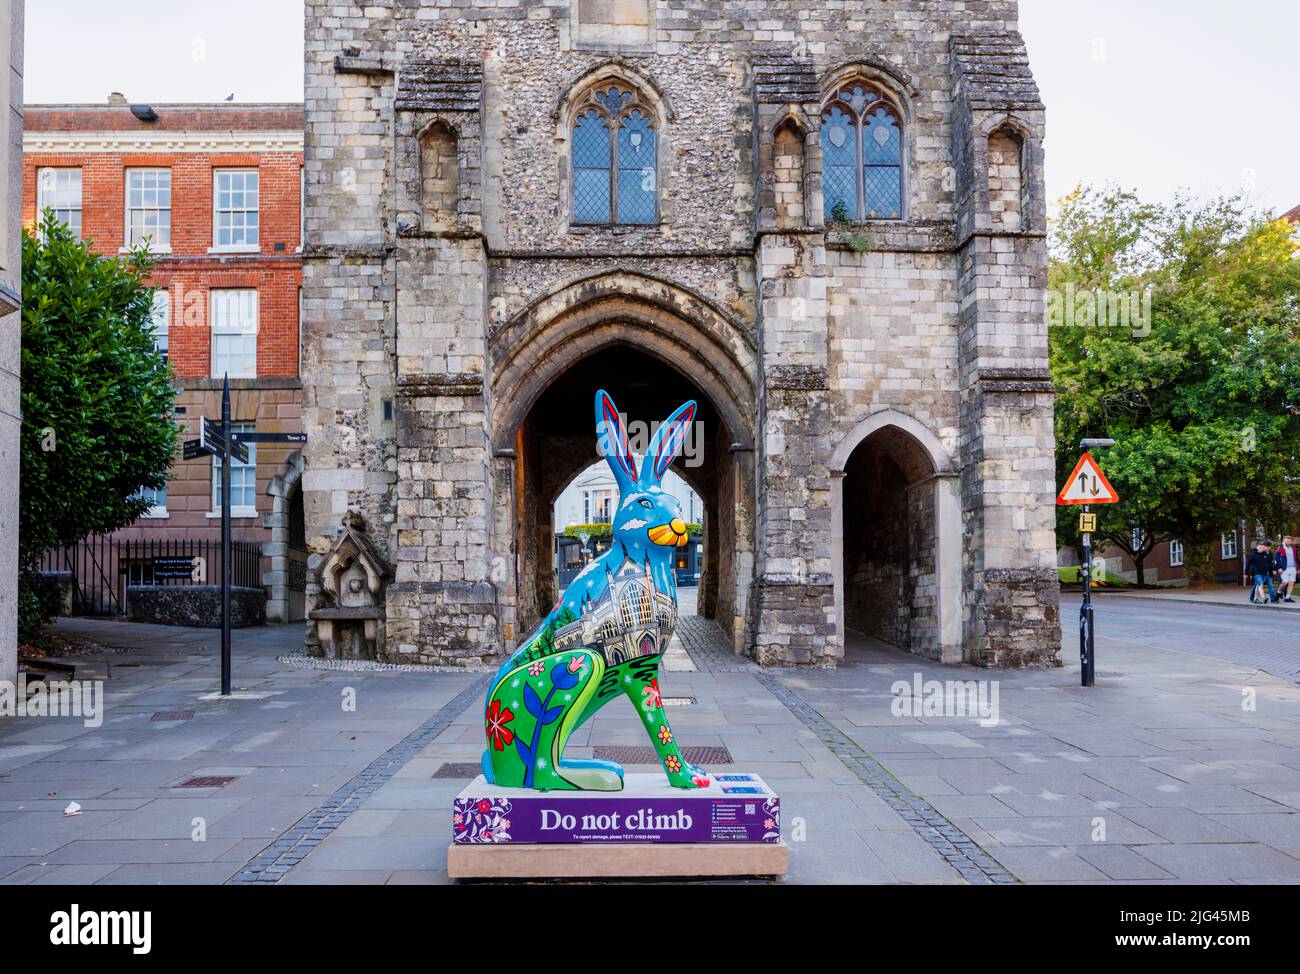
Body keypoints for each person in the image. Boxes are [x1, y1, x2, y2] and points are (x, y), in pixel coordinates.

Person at [1244, 540, 1276, 605]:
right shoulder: (1253, 555)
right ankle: (1264, 598)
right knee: (1260, 584)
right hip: (1257, 573)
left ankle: (1255, 598)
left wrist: (1272, 571)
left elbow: (1269, 564)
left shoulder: (1266, 555)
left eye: (1262, 547)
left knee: (1257, 586)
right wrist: (1246, 573)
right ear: (1257, 547)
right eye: (1260, 547)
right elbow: (1248, 564)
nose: (1262, 548)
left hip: (1265, 573)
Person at [1275, 535, 1298, 604]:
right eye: (1287, 541)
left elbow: (1296, 559)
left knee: (1291, 583)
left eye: (1290, 541)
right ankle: (1279, 592)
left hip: (1293, 568)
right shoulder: (1280, 548)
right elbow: (1277, 559)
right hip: (1284, 569)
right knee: (1285, 582)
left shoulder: (1293, 548)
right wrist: (1279, 568)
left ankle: (1288, 597)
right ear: (1284, 541)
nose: (1289, 542)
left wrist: (1298, 568)